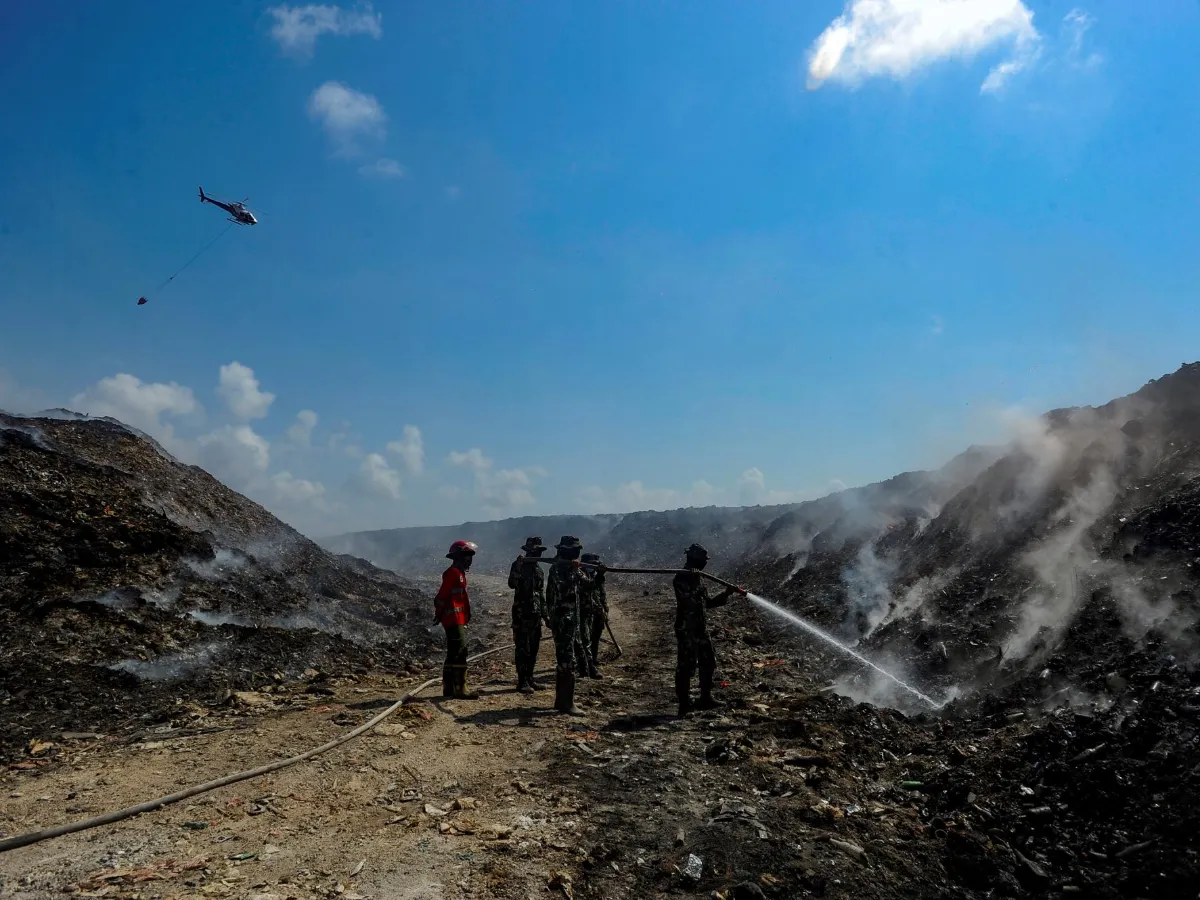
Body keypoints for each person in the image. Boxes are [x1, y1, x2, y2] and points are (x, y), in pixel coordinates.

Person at [672, 543, 745, 716]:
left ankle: (705, 697)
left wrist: (726, 593)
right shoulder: (681, 578)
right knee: (686, 666)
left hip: (700, 628)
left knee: (708, 662)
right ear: (694, 559)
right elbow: (689, 601)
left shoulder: (699, 577)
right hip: (687, 629)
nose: (705, 563)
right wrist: (693, 578)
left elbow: (707, 603)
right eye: (702, 560)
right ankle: (684, 705)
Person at [545, 535, 595, 715]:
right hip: (562, 620)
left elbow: (588, 586)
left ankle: (562, 701)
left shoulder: (573, 568)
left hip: (571, 619)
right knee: (567, 661)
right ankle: (566, 703)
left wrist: (599, 574)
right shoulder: (557, 569)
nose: (577, 553)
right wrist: (574, 571)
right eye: (575, 550)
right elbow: (562, 587)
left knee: (567, 658)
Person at [433, 539, 479, 700]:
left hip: (457, 618)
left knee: (454, 652)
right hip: (451, 618)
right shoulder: (452, 573)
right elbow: (441, 596)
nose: (469, 559)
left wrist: (467, 614)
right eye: (467, 555)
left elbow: (461, 598)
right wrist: (439, 614)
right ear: (458, 556)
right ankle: (460, 688)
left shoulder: (460, 574)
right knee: (460, 651)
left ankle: (449, 688)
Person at [507, 536, 549, 694]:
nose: (536, 553)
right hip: (522, 614)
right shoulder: (519, 565)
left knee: (533, 648)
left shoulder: (539, 570)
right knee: (522, 648)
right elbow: (512, 584)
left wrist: (546, 615)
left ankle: (530, 678)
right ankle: (522, 681)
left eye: (538, 551)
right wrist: (518, 567)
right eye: (534, 551)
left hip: (536, 615)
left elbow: (541, 594)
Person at [577, 552, 607, 678]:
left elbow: (599, 592)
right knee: (585, 639)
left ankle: (592, 660)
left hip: (595, 612)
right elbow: (588, 588)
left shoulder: (592, 575)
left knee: (594, 637)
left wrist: (604, 606)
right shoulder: (579, 574)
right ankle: (587, 666)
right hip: (583, 612)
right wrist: (599, 576)